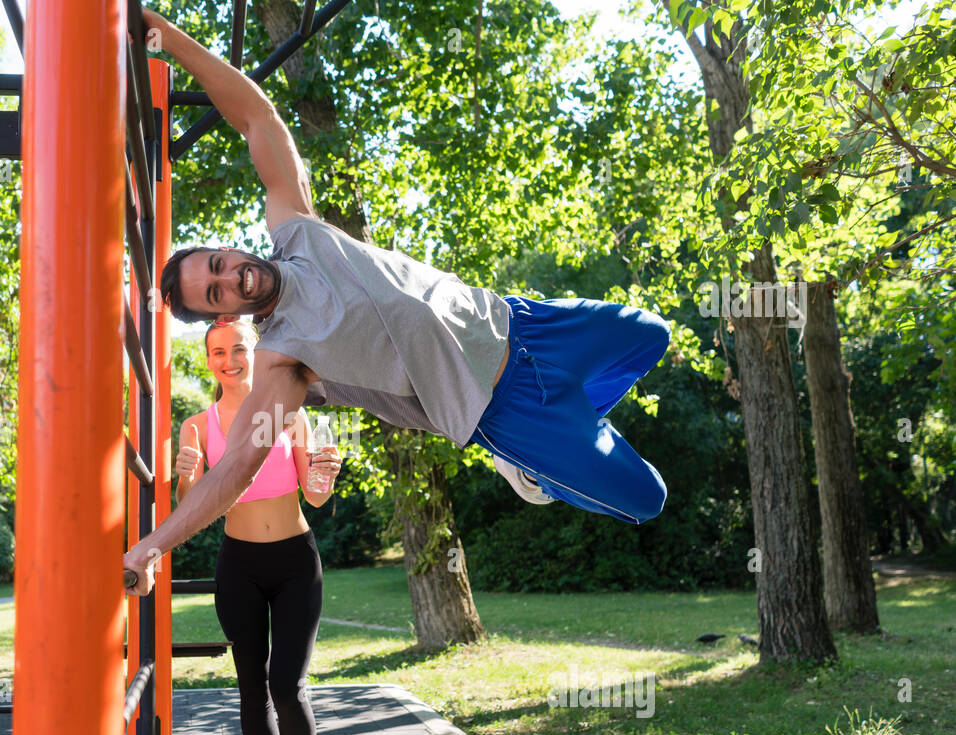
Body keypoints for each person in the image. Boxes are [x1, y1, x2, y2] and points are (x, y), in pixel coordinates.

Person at [124, 9, 671, 598]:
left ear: (227, 248)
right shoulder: (283, 360)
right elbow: (233, 471)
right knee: (647, 497)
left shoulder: (296, 227)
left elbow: (256, 116)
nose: (229, 278)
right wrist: (151, 548)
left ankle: (574, 417)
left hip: (524, 324)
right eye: (215, 295)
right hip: (501, 409)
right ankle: (531, 468)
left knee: (651, 334)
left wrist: (168, 36)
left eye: (217, 264)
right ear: (222, 315)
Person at [176, 317, 341, 735]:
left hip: (296, 560)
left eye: (240, 348)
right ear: (208, 360)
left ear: (257, 351)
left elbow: (314, 497)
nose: (230, 359)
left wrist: (326, 475)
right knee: (252, 687)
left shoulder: (290, 416)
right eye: (218, 351)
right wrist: (185, 476)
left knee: (287, 683)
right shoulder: (196, 427)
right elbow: (194, 510)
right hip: (238, 565)